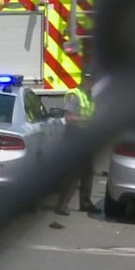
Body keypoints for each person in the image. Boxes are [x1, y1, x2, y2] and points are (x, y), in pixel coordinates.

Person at [54, 74, 102, 216]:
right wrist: (86, 119)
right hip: (73, 137)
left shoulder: (90, 97)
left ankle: (85, 203)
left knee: (87, 172)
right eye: (88, 80)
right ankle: (61, 205)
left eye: (92, 81)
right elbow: (69, 117)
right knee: (73, 174)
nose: (90, 83)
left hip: (86, 138)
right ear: (83, 81)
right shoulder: (74, 95)